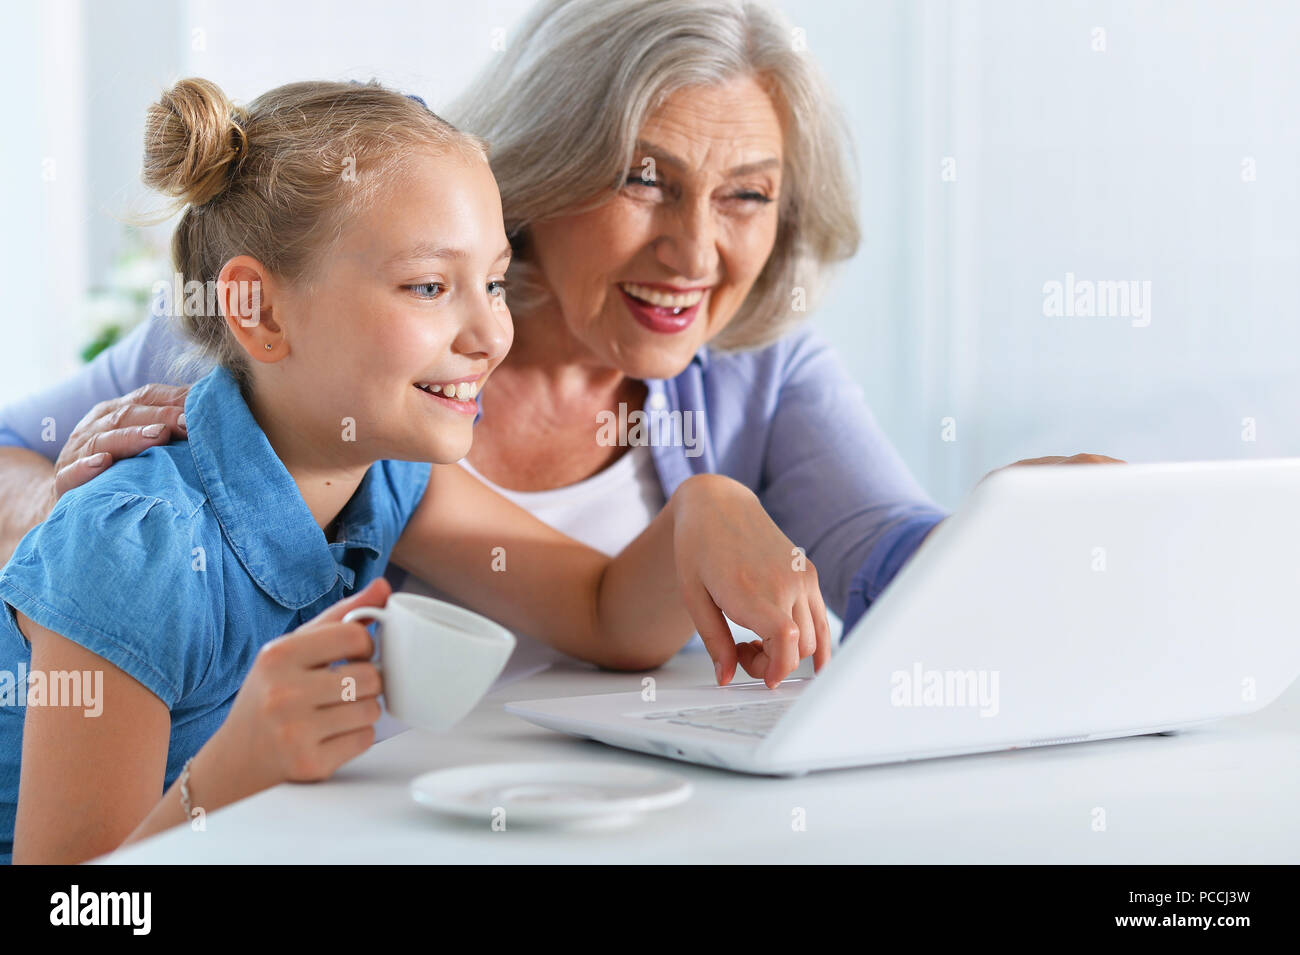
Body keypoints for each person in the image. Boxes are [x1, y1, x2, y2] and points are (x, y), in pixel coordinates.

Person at [0, 0, 1114, 668]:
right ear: (540, 168)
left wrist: (1026, 530)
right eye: (644, 179)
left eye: (745, 196)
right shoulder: (295, 353)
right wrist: (54, 518)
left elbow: (871, 560)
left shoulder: (411, 470)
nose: (693, 251)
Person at [0, 77, 829, 865]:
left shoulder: (381, 475)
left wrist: (703, 506)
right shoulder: (137, 549)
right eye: (429, 286)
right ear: (257, 309)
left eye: (496, 283)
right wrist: (229, 775)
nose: (490, 336)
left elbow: (606, 615)